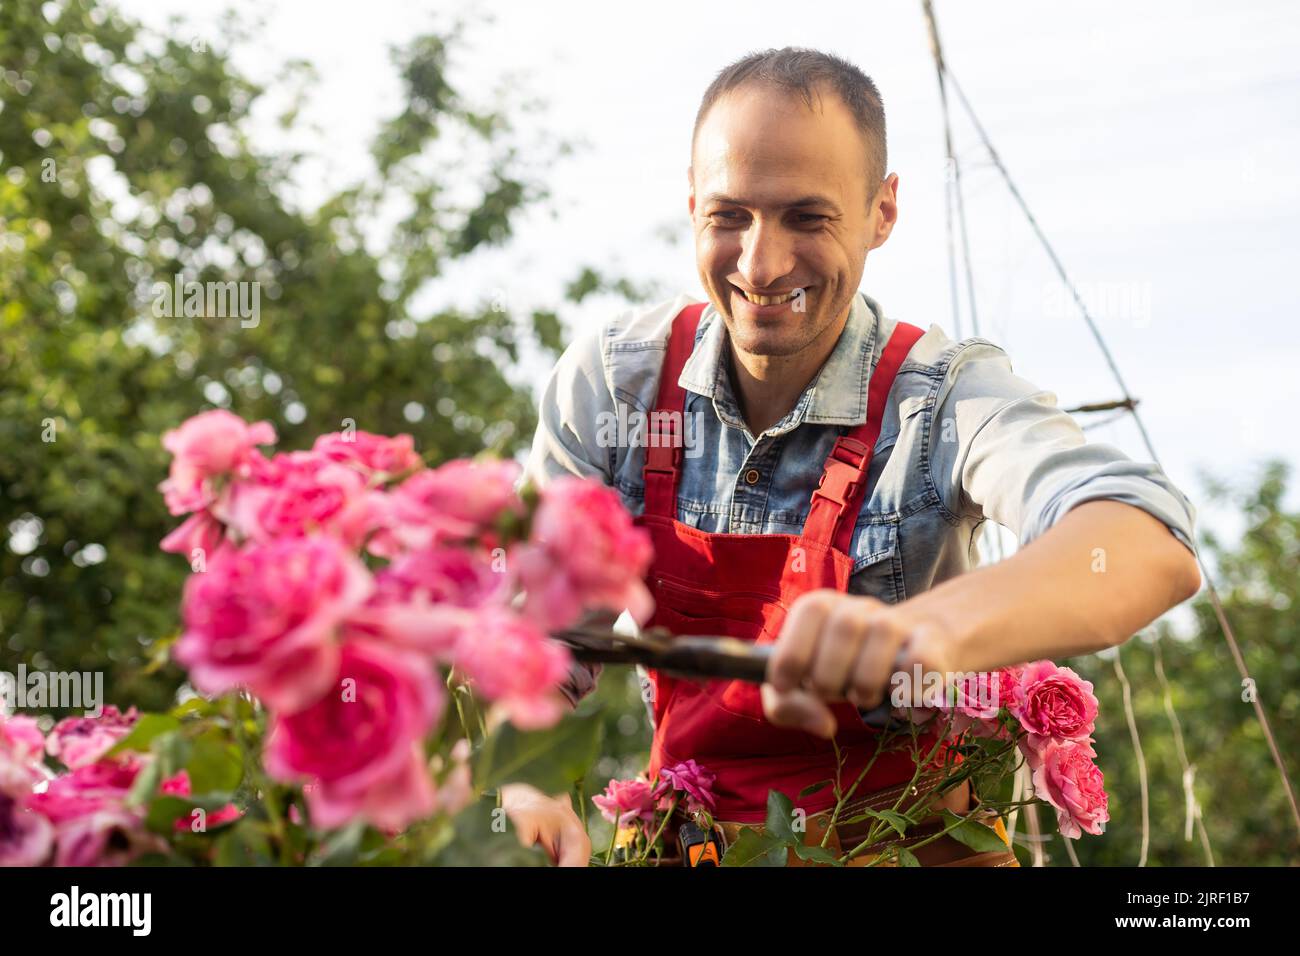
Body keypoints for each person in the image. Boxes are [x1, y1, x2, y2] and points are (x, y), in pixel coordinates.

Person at [503, 47, 1201, 866]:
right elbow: (528, 649)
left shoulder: (944, 398)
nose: (761, 266)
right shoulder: (617, 385)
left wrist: (920, 633)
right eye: (729, 215)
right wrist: (527, 775)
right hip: (683, 845)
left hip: (916, 846)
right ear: (691, 205)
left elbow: (1149, 544)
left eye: (808, 217)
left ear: (881, 211)